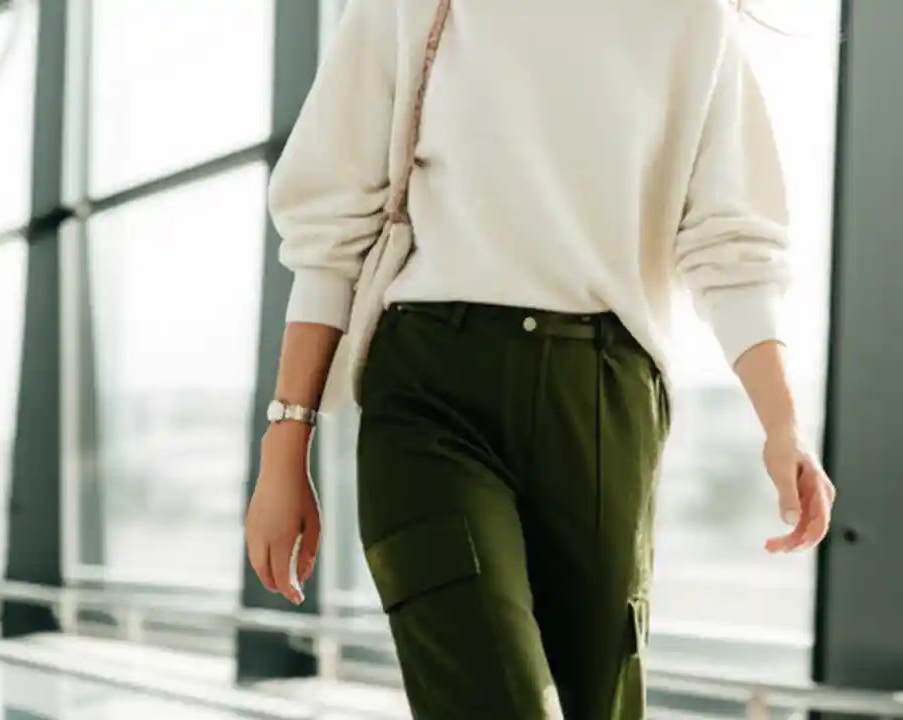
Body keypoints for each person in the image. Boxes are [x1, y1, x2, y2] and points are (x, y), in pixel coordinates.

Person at [245, 0, 836, 716]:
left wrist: (782, 424)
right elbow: (330, 229)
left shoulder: (691, 17)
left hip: (602, 401)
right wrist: (286, 442)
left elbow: (731, 241)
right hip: (432, 398)